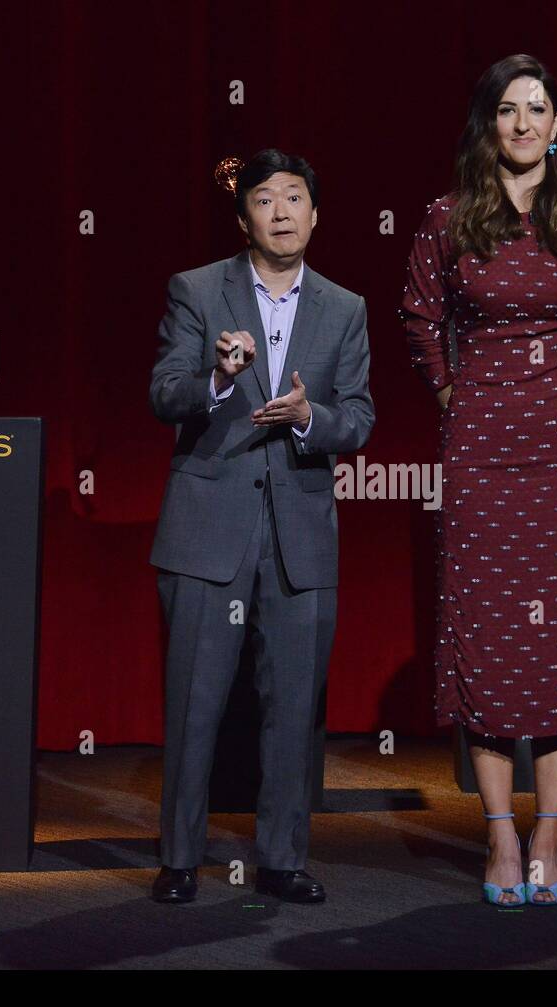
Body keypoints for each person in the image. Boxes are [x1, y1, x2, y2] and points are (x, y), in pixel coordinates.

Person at [398, 55, 557, 906]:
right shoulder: (449, 216)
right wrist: (463, 392)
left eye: (538, 109)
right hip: (481, 449)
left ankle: (551, 832)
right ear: (488, 125)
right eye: (508, 110)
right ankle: (500, 839)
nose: (524, 123)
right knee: (491, 633)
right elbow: (420, 313)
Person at [148, 148, 374, 904]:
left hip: (299, 532)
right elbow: (164, 392)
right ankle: (179, 858)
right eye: (266, 200)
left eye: (296, 198)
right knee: (195, 699)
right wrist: (216, 378)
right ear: (244, 216)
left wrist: (311, 416)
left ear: (316, 212)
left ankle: (282, 859)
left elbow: (361, 417)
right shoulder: (196, 290)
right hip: (209, 524)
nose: (282, 212)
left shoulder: (345, 307)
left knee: (294, 708)